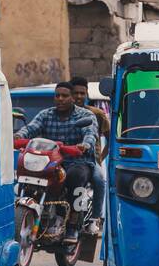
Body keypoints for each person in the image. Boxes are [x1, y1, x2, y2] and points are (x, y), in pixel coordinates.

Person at [15, 81, 99, 239]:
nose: (60, 99)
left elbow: (90, 133)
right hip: (50, 162)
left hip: (77, 161)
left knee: (75, 177)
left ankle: (73, 224)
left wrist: (85, 145)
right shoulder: (45, 114)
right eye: (57, 95)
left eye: (64, 96)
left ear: (72, 98)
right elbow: (31, 127)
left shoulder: (85, 116)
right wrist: (19, 135)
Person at [70, 77, 107, 233]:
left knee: (100, 180)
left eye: (82, 93)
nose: (79, 96)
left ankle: (95, 218)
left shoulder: (96, 114)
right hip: (68, 159)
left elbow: (109, 137)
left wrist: (100, 159)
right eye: (75, 93)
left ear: (87, 94)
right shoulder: (61, 113)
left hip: (91, 160)